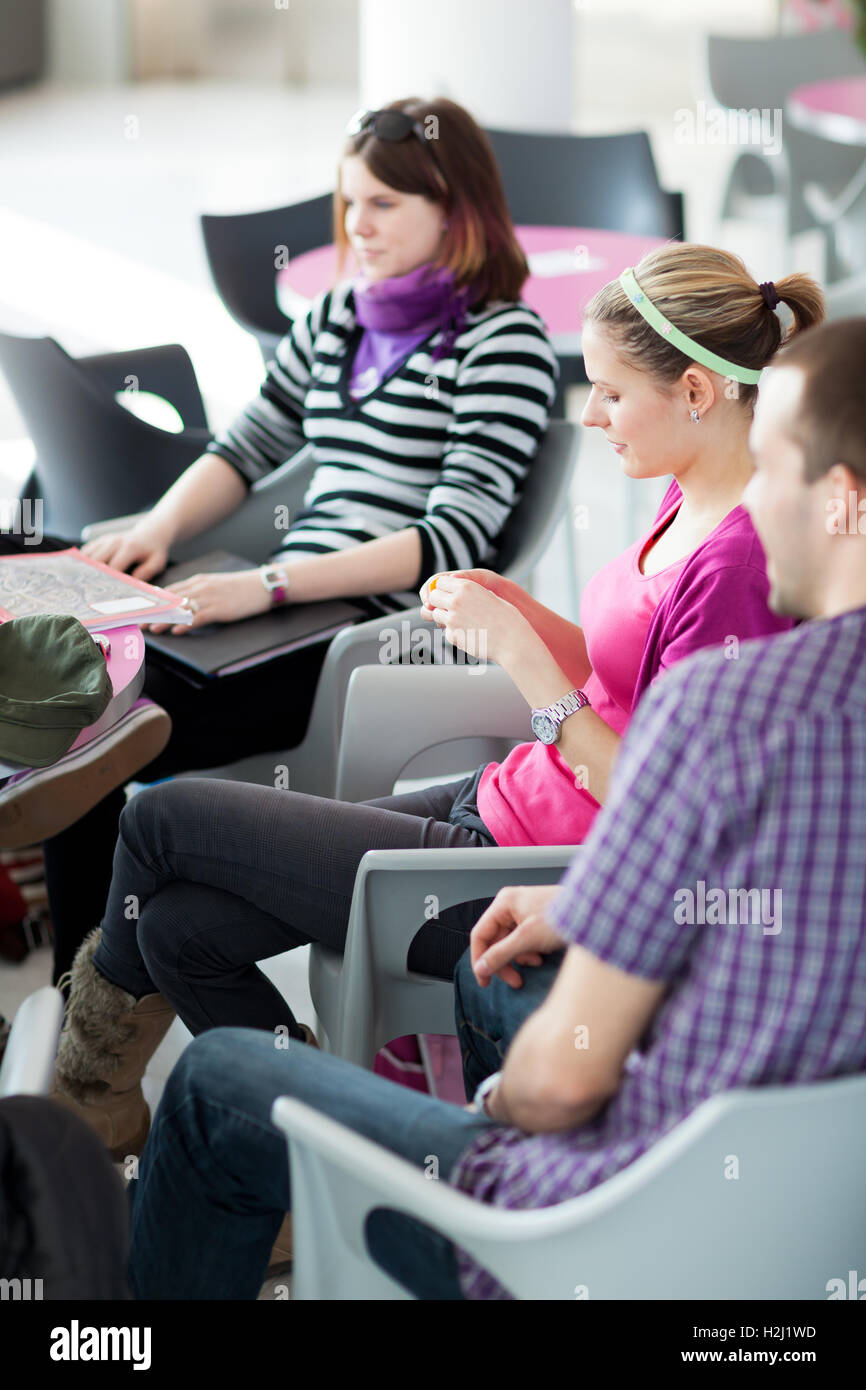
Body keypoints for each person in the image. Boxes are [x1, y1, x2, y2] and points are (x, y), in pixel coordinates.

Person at [126, 315, 866, 1300]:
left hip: (598, 1229)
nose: (751, 503)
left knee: (216, 1077)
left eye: (773, 467)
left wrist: (494, 1100)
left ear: (840, 502)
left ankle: (108, 1109)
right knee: (182, 924)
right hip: (798, 1250)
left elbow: (558, 1085)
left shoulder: (732, 707)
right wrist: (602, 903)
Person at [50, 242, 820, 1161]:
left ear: (697, 392)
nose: (592, 414)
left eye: (613, 392)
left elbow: (659, 811)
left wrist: (521, 663)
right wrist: (528, 619)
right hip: (500, 802)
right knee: (178, 931)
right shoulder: (685, 493)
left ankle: (85, 1094)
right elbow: (628, 686)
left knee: (163, 822)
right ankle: (306, 1166)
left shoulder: (736, 563)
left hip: (526, 871)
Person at [15, 95, 557, 985]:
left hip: (364, 629)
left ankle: (90, 996)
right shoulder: (342, 315)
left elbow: (451, 538)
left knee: (92, 729)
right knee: (72, 687)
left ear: (455, 209)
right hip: (272, 601)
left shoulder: (502, 341)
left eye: (384, 203)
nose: (357, 225)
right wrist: (157, 532)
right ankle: (85, 973)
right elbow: (248, 445)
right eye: (350, 202)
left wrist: (271, 584)